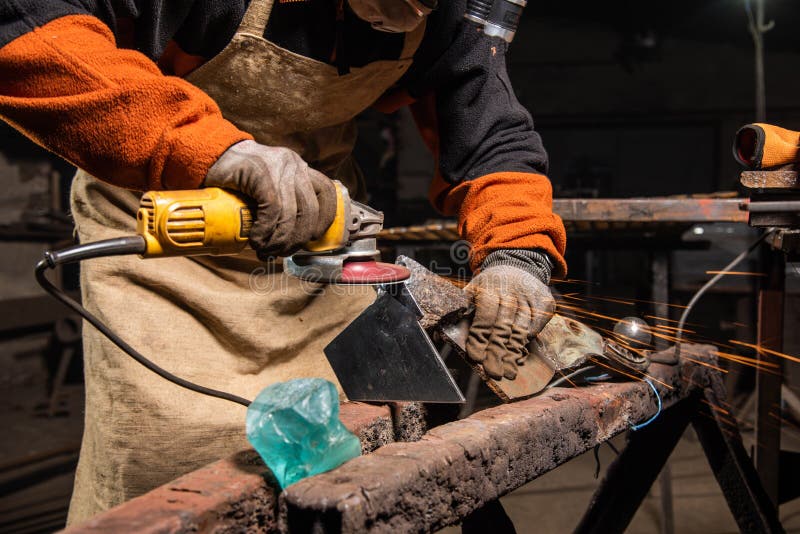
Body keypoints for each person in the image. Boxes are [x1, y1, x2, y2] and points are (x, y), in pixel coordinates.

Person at [0, 0, 566, 523]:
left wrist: (517, 253)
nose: (423, 11)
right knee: (174, 469)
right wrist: (209, 147)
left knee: (345, 454)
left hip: (320, 248)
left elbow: (490, 134)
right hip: (166, 235)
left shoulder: (449, 15)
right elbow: (27, 28)